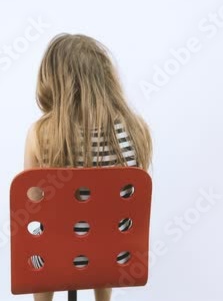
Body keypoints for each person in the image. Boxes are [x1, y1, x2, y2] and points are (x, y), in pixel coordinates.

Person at [23, 33, 153, 301]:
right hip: (115, 256)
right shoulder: (137, 129)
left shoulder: (41, 133)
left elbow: (32, 204)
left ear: (55, 81)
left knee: (39, 233)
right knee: (107, 225)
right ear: (105, 78)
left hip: (57, 257)